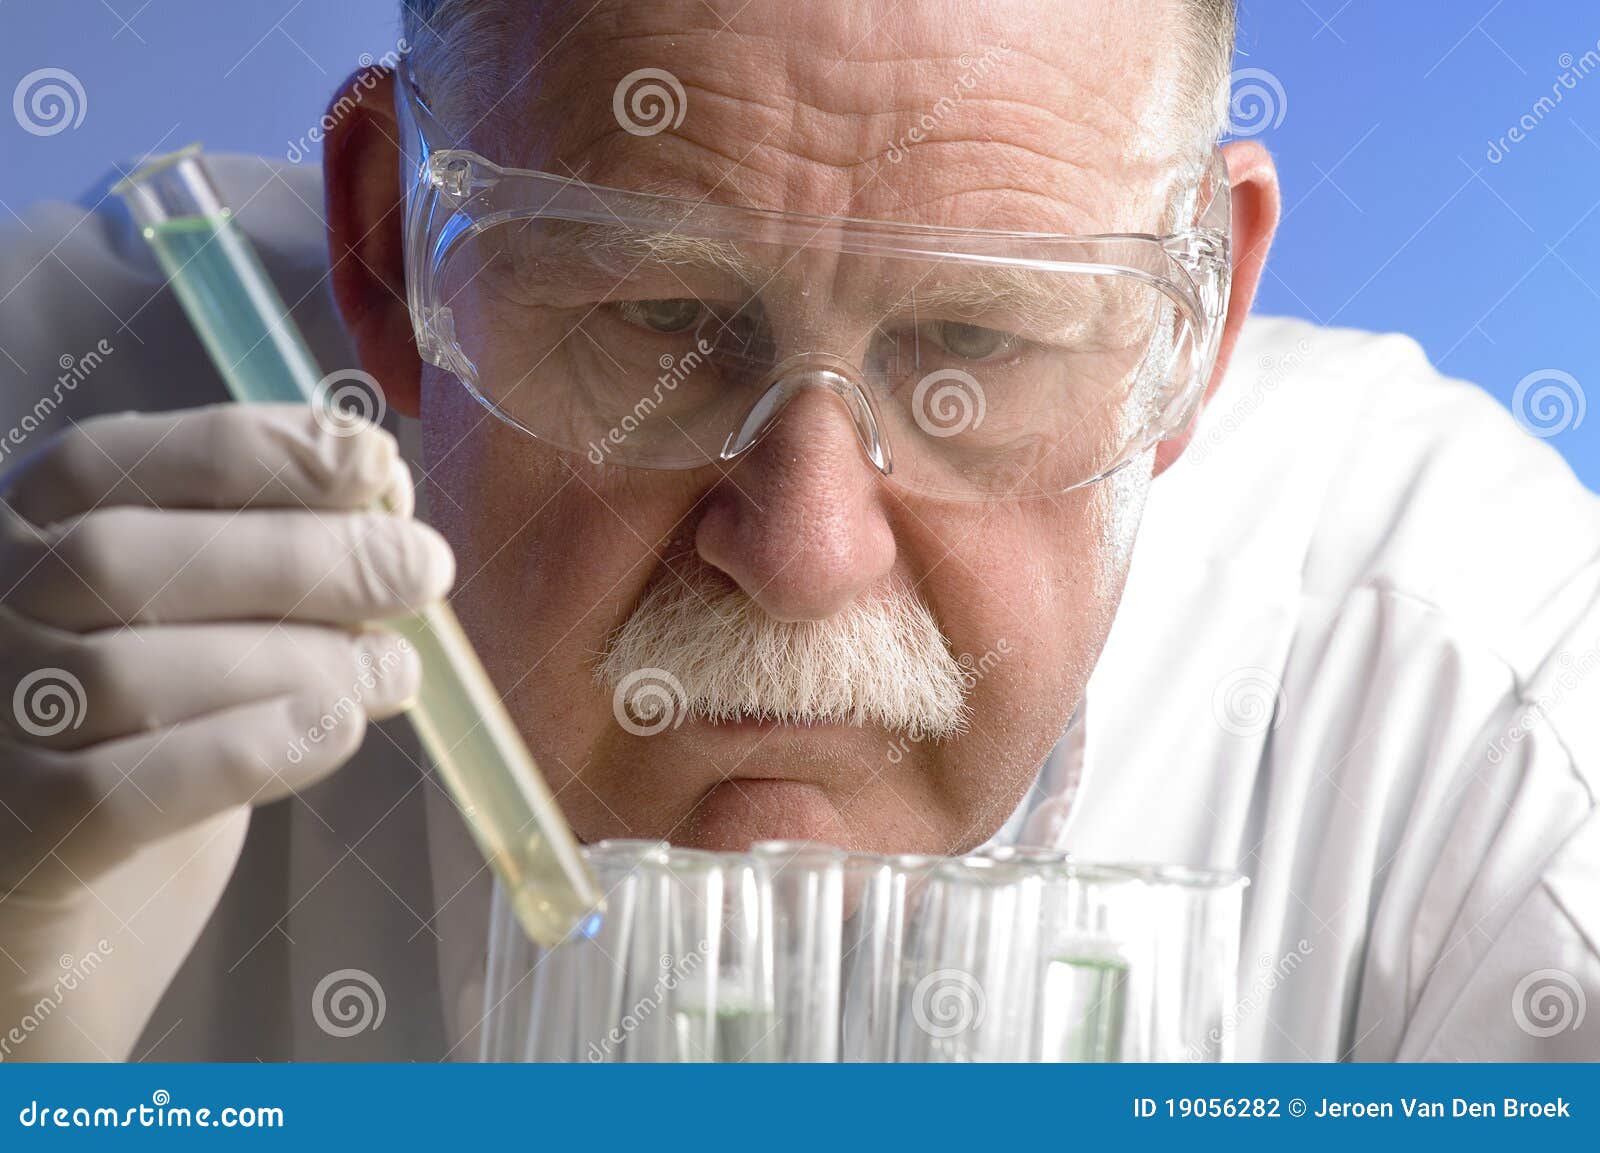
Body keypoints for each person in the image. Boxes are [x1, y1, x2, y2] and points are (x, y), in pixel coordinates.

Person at [0, 0, 1595, 1062]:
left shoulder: (1472, 686)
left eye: (976, 342)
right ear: (387, 252)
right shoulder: (47, 457)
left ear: (1200, 323)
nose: (809, 549)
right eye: (663, 313)